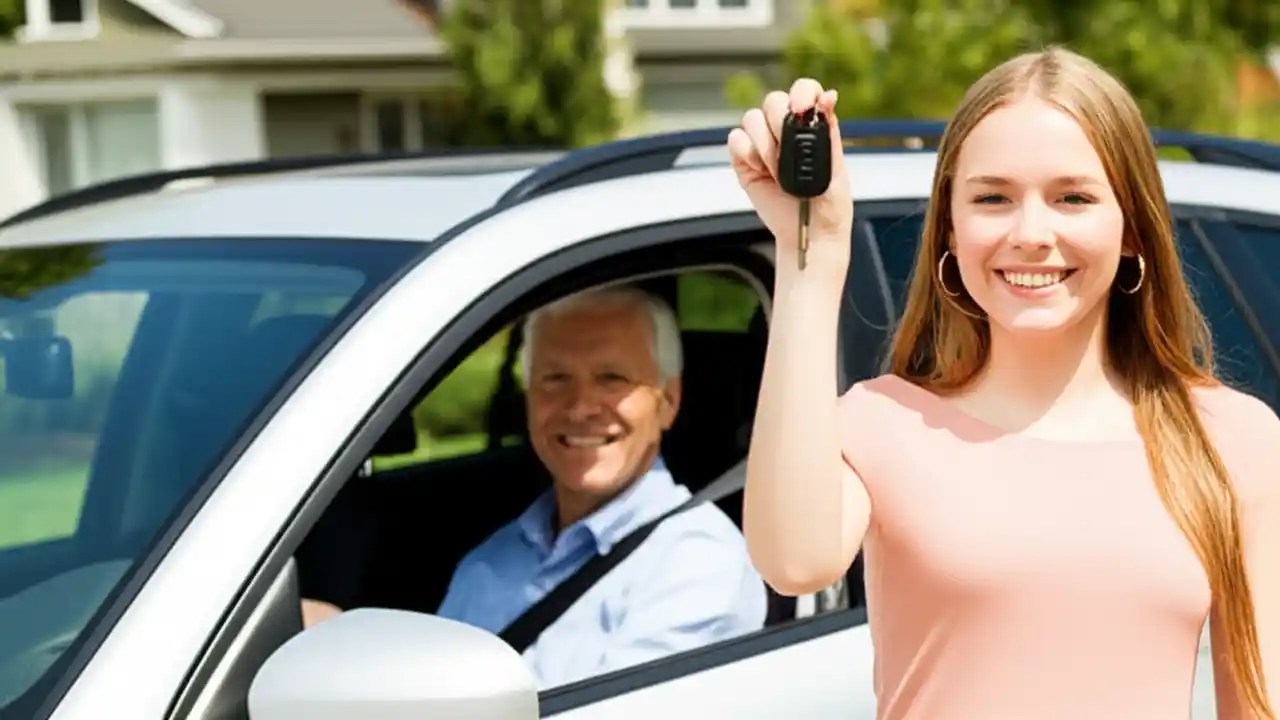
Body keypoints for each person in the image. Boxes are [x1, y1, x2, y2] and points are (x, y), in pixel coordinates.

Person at [729, 47, 1277, 719]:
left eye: (1072, 197)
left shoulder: (1235, 440)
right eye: (992, 198)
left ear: (1132, 227)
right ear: (950, 232)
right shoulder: (881, 423)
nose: (1031, 233)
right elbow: (792, 562)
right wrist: (809, 253)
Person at [434, 285, 767, 688]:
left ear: (669, 401)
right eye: (555, 379)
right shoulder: (488, 563)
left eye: (612, 379)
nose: (580, 407)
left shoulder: (699, 561)